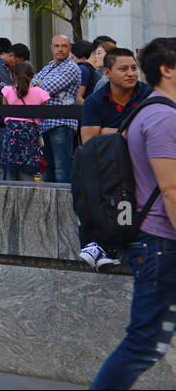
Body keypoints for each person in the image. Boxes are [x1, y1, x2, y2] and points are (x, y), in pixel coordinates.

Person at [90, 37, 176, 390]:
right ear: (167, 69)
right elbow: (170, 189)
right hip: (161, 243)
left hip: (156, 242)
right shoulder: (162, 118)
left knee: (145, 343)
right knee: (143, 345)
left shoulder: (148, 111)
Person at [78, 47, 152, 271]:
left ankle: (107, 249)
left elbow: (147, 136)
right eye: (124, 69)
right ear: (107, 73)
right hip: (104, 166)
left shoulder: (147, 95)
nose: (131, 73)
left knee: (124, 207)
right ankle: (99, 247)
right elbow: (89, 141)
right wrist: (124, 133)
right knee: (89, 196)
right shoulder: (95, 101)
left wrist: (106, 132)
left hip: (137, 169)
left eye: (133, 68)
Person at [31, 34, 81, 184]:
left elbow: (44, 89)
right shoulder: (48, 66)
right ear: (51, 48)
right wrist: (37, 85)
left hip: (62, 123)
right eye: (57, 46)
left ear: (70, 48)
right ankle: (49, 206)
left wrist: (38, 84)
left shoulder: (71, 68)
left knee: (62, 168)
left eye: (64, 46)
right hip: (45, 124)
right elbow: (31, 83)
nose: (60, 49)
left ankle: (64, 205)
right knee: (48, 168)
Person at [0, 61, 47, 182]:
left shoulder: (7, 90)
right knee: (28, 171)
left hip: (12, 133)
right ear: (32, 76)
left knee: (11, 171)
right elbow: (43, 117)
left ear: (13, 75)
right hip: (30, 134)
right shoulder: (41, 93)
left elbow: (4, 111)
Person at [72, 39, 97, 105]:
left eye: (73, 58)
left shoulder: (82, 69)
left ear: (82, 58)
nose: (72, 61)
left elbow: (78, 97)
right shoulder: (88, 68)